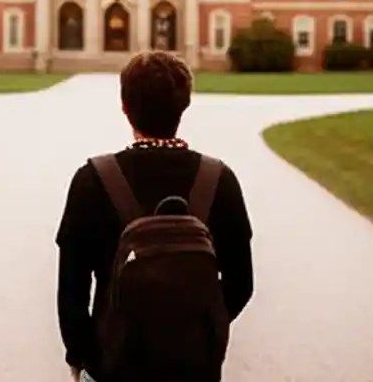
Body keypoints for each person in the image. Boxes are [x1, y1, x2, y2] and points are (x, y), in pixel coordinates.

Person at [55, 51, 254, 382]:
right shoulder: (219, 180)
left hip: (112, 367)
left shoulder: (91, 180)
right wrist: (198, 330)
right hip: (193, 369)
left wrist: (86, 357)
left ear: (124, 107)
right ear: (184, 105)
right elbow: (241, 284)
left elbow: (71, 292)